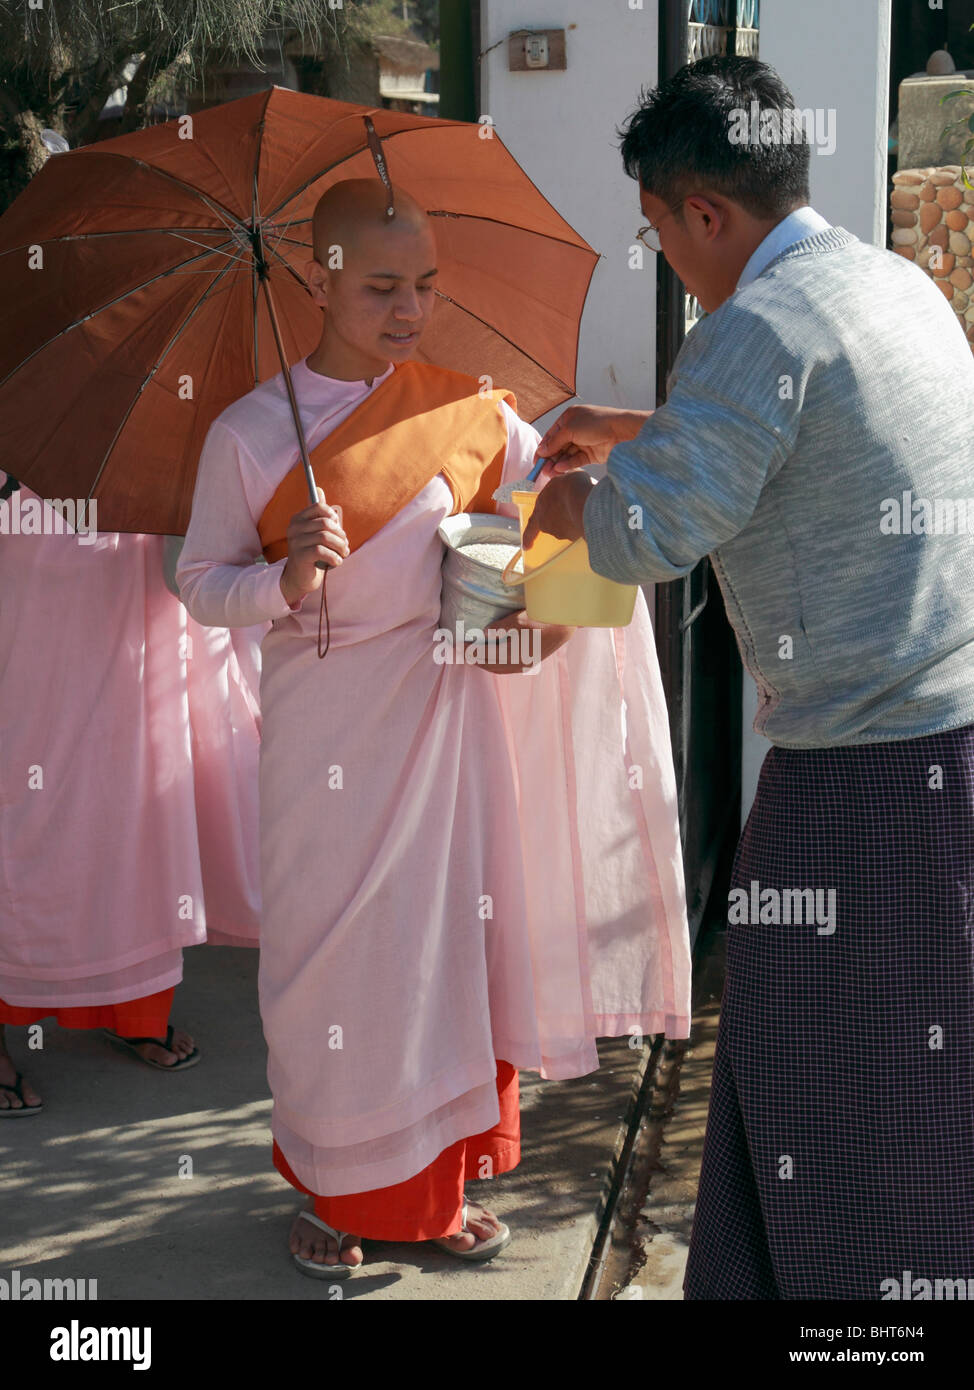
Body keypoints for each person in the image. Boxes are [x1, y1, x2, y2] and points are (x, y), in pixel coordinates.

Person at [176, 177, 692, 1276]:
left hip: (456, 736)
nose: (408, 308)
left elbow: (540, 520)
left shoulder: (469, 407)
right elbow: (197, 585)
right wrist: (280, 577)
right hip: (325, 749)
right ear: (318, 276)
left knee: (451, 956)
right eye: (379, 286)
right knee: (338, 973)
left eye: (423, 285)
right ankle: (334, 1189)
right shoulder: (249, 431)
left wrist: (571, 515)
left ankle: (436, 1191)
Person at [525, 54, 974, 1299]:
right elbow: (795, 436)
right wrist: (631, 433)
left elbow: (641, 541)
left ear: (703, 215)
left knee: (846, 1106)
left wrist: (569, 495)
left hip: (864, 781)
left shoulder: (746, 331)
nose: (663, 255)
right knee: (853, 1079)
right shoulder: (888, 279)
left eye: (656, 230)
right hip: (944, 749)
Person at [0, 475, 264, 1112]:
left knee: (134, 813)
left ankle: (131, 1008)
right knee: (25, 820)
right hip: (29, 626)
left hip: (135, 613)